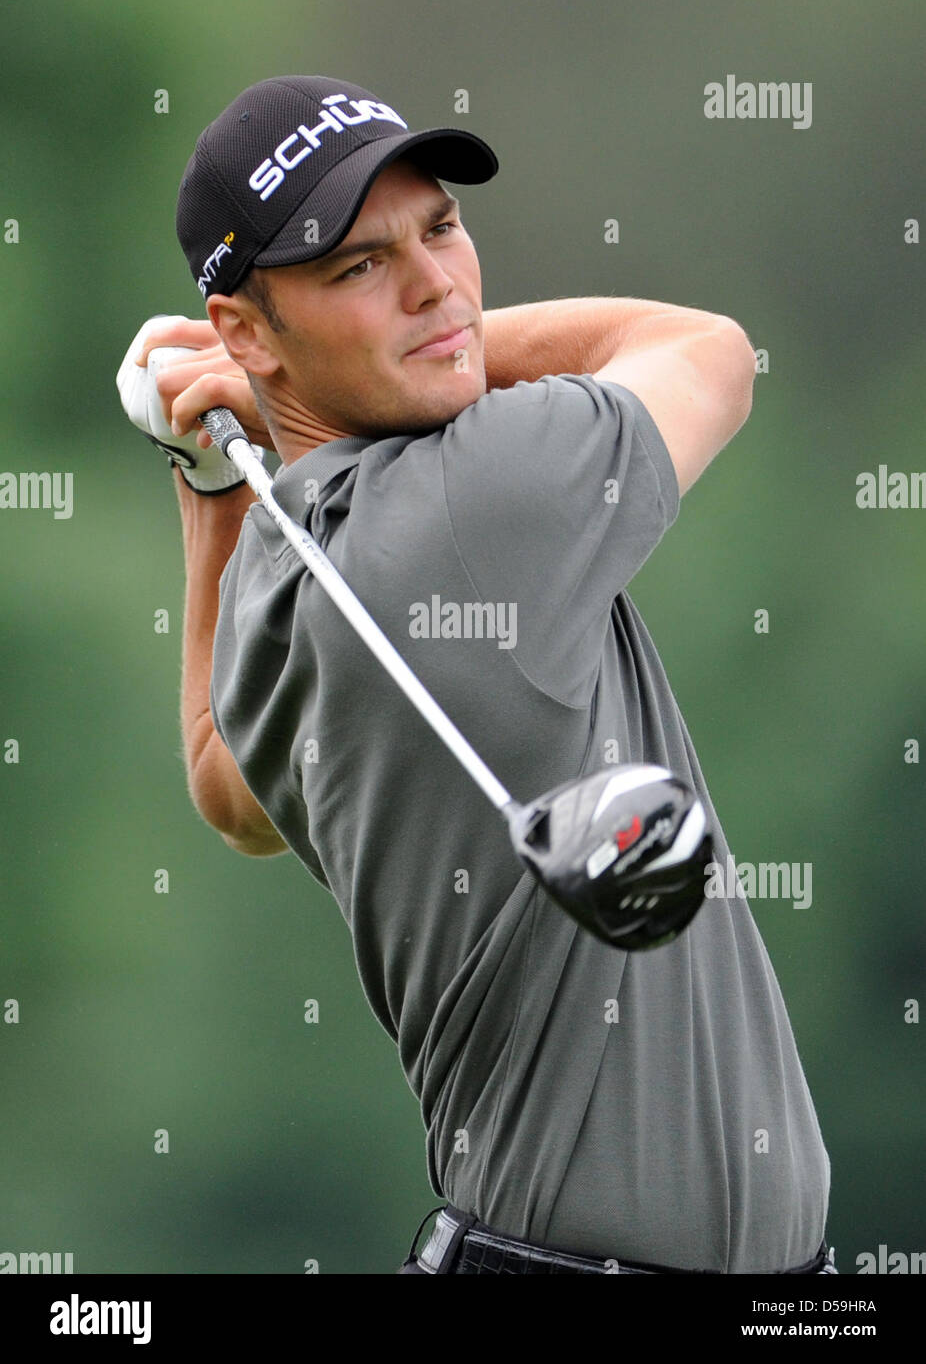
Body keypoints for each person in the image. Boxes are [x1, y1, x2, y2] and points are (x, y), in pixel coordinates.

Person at [119, 75, 836, 1274]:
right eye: (358, 268)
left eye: (440, 228)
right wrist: (431, 353)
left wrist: (213, 478)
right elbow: (706, 352)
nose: (433, 286)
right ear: (242, 328)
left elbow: (224, 784)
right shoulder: (474, 499)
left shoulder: (279, 580)